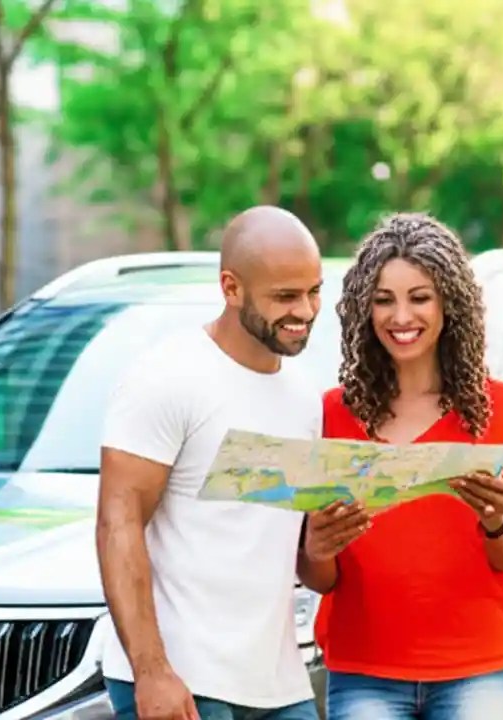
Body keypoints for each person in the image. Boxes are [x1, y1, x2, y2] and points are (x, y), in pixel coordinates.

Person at [97, 205, 371, 720]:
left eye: (314, 291)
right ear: (231, 287)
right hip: (183, 679)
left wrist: (320, 544)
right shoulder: (168, 375)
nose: (306, 311)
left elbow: (303, 565)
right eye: (285, 297)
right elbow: (118, 523)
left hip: (276, 683)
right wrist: (151, 671)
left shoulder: (303, 399)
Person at [296, 212, 503, 720]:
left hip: (480, 668)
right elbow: (320, 577)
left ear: (449, 303)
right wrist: (317, 547)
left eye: (419, 297)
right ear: (364, 310)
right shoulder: (329, 415)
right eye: (383, 299)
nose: (400, 316)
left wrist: (495, 520)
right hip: (365, 672)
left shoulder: (502, 409)